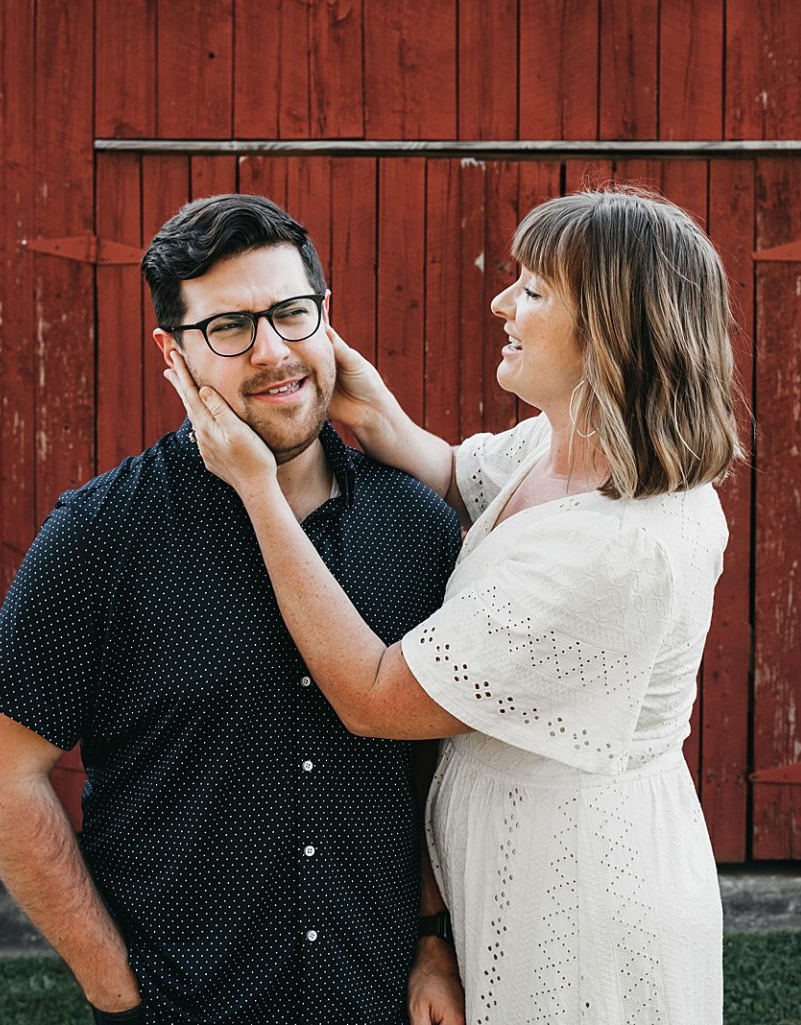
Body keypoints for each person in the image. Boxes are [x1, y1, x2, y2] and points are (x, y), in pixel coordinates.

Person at [168, 186, 743, 1024]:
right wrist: (372, 410)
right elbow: (458, 474)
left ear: (611, 330)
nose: (502, 303)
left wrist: (257, 489)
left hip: (574, 884)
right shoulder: (565, 442)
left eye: (534, 290)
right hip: (515, 849)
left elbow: (374, 697)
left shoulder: (615, 551)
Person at [0, 193, 467, 1025]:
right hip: (184, 1005)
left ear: (326, 315)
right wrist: (114, 989)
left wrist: (431, 939)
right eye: (230, 327)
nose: (273, 351)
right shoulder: (101, 534)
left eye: (292, 313)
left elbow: (430, 764)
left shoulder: (413, 522)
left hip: (376, 998)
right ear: (174, 351)